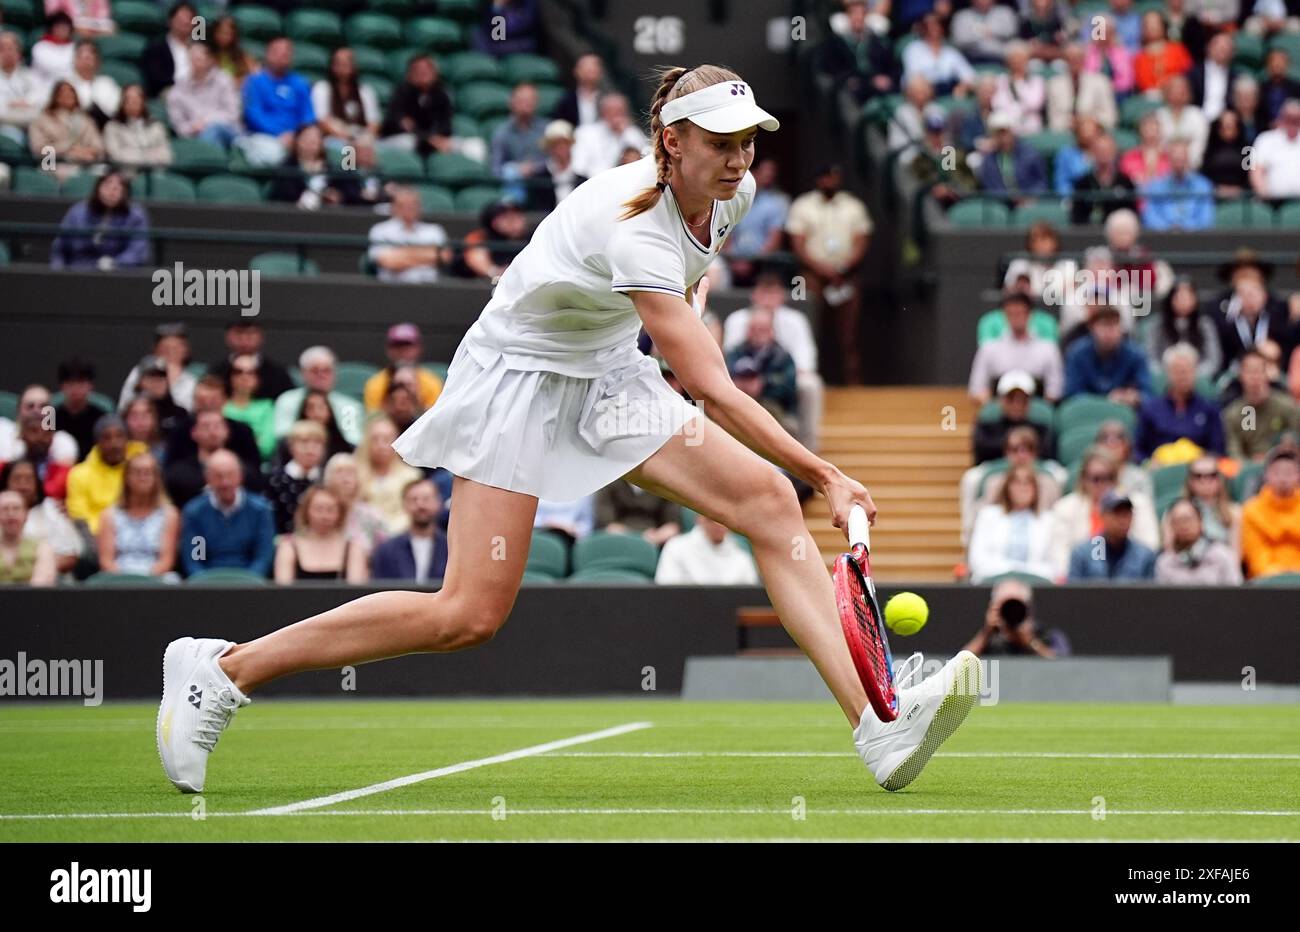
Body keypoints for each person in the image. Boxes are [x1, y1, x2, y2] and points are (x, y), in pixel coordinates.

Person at [156, 63, 981, 798]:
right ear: (671, 142)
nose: (739, 160)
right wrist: (828, 476)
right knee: (468, 614)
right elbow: (711, 389)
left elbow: (685, 287)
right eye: (722, 143)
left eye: (749, 142)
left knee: (766, 501)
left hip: (610, 371)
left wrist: (683, 310)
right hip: (516, 381)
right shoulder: (627, 220)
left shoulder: (735, 195)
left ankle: (878, 723)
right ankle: (221, 670)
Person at [786, 163, 873, 384]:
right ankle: (809, 378)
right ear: (818, 180)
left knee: (849, 333)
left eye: (833, 177)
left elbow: (861, 240)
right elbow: (798, 244)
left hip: (846, 276)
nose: (829, 182)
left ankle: (853, 385)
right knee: (810, 327)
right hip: (813, 276)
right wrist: (823, 269)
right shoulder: (803, 205)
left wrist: (842, 268)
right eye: (825, 177)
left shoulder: (853, 206)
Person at [721, 271, 822, 450]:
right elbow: (729, 358)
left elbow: (805, 357)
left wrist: (768, 380)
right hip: (741, 381)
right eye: (754, 329)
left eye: (764, 329)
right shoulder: (737, 319)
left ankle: (809, 449)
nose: (768, 299)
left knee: (810, 384)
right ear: (754, 295)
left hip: (784, 378)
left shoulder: (795, 322)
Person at [1049, 449, 1159, 574]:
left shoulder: (1137, 503)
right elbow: (1059, 555)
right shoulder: (1066, 508)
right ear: (1084, 479)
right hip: (1084, 579)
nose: (1103, 484)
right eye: (1096, 479)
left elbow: (1149, 547)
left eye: (1108, 478)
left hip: (1129, 576)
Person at [178, 450, 275, 578]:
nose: (225, 482)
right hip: (208, 581)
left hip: (249, 581)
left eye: (230, 475)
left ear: (240, 476)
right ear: (208, 478)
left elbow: (262, 556)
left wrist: (249, 581)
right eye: (218, 476)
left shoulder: (259, 510)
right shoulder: (195, 512)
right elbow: (196, 557)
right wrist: (203, 582)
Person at [1134, 343, 1225, 461]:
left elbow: (1218, 451)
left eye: (1187, 370)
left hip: (1200, 472)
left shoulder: (1209, 410)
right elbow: (1138, 450)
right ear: (1167, 373)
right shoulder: (1150, 409)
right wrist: (1149, 463)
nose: (1183, 376)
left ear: (1195, 372)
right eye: (1177, 371)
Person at [968, 294, 1064, 404]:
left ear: (1030, 314)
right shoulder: (988, 349)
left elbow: (1055, 391)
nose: (1015, 318)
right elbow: (976, 390)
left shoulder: (1048, 349)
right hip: (999, 412)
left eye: (1019, 313)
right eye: (1010, 314)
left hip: (1037, 412)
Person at [967, 463, 1055, 583]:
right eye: (1017, 482)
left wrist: (1024, 573)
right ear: (1007, 487)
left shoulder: (1049, 520)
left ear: (1035, 489)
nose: (1022, 488)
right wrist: (1011, 571)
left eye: (1027, 483)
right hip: (992, 580)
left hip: (1037, 584)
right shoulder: (988, 515)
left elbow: (1055, 565)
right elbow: (976, 559)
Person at [97, 452, 179, 580]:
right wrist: (126, 581)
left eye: (147, 473)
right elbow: (106, 561)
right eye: (137, 472)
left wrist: (144, 582)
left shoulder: (169, 514)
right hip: (118, 579)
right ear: (126, 478)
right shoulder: (109, 515)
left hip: (156, 578)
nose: (142, 477)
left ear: (156, 478)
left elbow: (166, 561)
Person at [238, 36, 315, 167]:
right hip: (263, 136)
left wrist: (296, 136)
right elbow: (253, 115)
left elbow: (308, 116)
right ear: (268, 54)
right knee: (273, 153)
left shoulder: (300, 83)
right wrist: (279, 133)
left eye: (286, 53)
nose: (282, 57)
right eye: (277, 52)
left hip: (296, 139)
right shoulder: (255, 82)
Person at [49, 171, 149, 269]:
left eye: (117, 188)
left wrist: (114, 264)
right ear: (98, 188)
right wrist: (58, 272)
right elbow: (60, 247)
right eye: (107, 186)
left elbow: (137, 251)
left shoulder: (135, 215)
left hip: (118, 274)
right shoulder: (78, 211)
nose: (112, 192)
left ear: (126, 192)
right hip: (79, 270)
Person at [65, 414, 145, 535]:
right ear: (97, 443)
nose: (114, 444)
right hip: (95, 538)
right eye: (107, 438)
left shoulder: (140, 470)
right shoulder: (79, 474)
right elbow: (80, 518)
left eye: (119, 436)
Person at [0, 458, 82, 575]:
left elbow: (70, 556)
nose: (23, 485)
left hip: (48, 581)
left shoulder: (52, 509)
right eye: (17, 479)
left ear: (37, 483)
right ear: (5, 483)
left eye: (28, 479)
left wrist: (41, 568)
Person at [273, 485, 368, 584]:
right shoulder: (288, 547)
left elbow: (356, 589)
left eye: (330, 510)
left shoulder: (354, 548)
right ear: (306, 511)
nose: (324, 516)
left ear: (340, 513)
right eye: (318, 509)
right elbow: (283, 590)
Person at [272, 347, 364, 446]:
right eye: (315, 370)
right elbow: (283, 437)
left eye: (326, 370)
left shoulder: (348, 407)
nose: (321, 375)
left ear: (335, 373)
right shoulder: (287, 400)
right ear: (303, 373)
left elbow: (353, 441)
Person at [1063, 305, 1151, 405]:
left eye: (1114, 325)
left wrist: (1135, 397)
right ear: (1091, 328)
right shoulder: (1077, 353)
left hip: (1124, 412)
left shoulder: (1136, 354)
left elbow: (1148, 393)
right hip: (1088, 413)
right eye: (1104, 325)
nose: (1109, 332)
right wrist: (1106, 399)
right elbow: (1072, 394)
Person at [1224, 350, 1300, 461]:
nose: (1254, 377)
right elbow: (1234, 454)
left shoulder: (1287, 407)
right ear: (1241, 375)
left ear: (1267, 373)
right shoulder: (1233, 414)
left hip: (1282, 465)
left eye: (1258, 371)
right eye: (1249, 371)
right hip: (1248, 471)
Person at [1067, 490, 1158, 581]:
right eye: (1117, 513)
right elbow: (1072, 593)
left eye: (1126, 514)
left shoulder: (1144, 556)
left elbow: (1150, 594)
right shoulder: (1082, 553)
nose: (1122, 520)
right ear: (1103, 515)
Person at [166, 42, 242, 151]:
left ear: (209, 60)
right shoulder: (177, 91)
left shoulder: (224, 80)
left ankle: (209, 159)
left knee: (213, 130)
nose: (195, 63)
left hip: (228, 131)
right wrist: (193, 127)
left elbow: (233, 114)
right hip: (195, 134)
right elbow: (179, 127)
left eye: (199, 59)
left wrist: (206, 122)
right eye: (191, 59)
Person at [369, 478, 447, 582]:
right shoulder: (386, 551)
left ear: (438, 503)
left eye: (426, 499)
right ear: (404, 505)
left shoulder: (451, 549)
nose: (420, 505)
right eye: (413, 499)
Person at [355, 415, 422, 535]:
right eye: (375, 439)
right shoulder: (355, 475)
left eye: (386, 439)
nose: (380, 445)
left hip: (400, 537)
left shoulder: (411, 477)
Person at [367, 188, 450, 284]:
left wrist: (401, 254)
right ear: (394, 207)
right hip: (391, 289)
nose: (409, 208)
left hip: (429, 290)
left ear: (420, 207)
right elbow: (387, 261)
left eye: (413, 204)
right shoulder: (380, 230)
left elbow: (444, 256)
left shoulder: (434, 230)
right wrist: (426, 255)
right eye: (403, 205)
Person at [962, 580, 1064, 658]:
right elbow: (958, 669)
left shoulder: (1047, 636)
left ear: (1028, 608)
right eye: (1006, 606)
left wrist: (1031, 642)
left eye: (1016, 607)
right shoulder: (987, 638)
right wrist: (986, 634)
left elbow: (1064, 668)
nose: (1012, 612)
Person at [1146, 278, 1223, 382]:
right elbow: (1150, 358)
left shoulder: (1205, 325)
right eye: (1179, 297)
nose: (1183, 301)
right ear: (1170, 299)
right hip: (1165, 377)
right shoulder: (1157, 325)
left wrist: (1193, 374)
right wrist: (1167, 374)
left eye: (1188, 297)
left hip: (1198, 378)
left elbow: (1214, 359)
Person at [1240, 447, 1300, 578]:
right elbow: (1256, 557)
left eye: (1289, 472)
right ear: (1266, 475)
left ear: (1298, 475)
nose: (1283, 479)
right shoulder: (1252, 510)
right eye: (1277, 472)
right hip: (1267, 585)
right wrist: (1282, 578)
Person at [378, 53, 454, 156]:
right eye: (417, 70)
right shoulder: (401, 92)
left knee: (474, 146)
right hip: (404, 139)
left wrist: (437, 138)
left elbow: (445, 125)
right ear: (409, 74)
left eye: (427, 69)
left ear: (435, 73)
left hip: (435, 140)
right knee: (408, 142)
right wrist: (428, 138)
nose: (423, 73)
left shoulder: (442, 94)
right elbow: (401, 124)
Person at [972, 371, 1054, 464]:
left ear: (1030, 402)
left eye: (1022, 399)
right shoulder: (986, 429)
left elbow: (1047, 453)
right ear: (1001, 401)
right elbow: (981, 455)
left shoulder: (1042, 430)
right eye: (1011, 398)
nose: (1017, 404)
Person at [654, 513, 759, 584]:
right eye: (713, 519)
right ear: (700, 518)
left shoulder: (742, 558)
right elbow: (665, 591)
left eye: (724, 520)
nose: (718, 525)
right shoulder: (675, 548)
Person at [1155, 498, 1242, 584]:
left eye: (1188, 519)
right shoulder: (1164, 563)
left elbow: (1235, 593)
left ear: (1200, 521)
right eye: (1178, 521)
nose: (1184, 525)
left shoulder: (1222, 555)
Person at [362, 323, 444, 412]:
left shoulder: (432, 383)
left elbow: (436, 420)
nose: (402, 350)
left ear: (418, 348)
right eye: (397, 345)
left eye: (407, 345)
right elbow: (373, 420)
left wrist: (415, 399)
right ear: (388, 350)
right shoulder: (375, 384)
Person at [28, 79, 103, 175]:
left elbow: (98, 147)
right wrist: (69, 150)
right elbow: (38, 149)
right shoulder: (41, 120)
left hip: (84, 163)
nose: (68, 96)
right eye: (63, 93)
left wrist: (84, 152)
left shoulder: (87, 120)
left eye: (71, 92)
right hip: (52, 163)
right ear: (55, 96)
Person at [207, 320, 296, 402]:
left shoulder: (278, 373)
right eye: (239, 333)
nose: (244, 339)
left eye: (250, 334)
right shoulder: (216, 372)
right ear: (228, 336)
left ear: (261, 336)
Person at [266, 420, 327, 535]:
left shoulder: (327, 481)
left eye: (317, 443)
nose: (310, 448)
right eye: (304, 442)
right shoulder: (274, 480)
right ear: (291, 446)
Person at [312, 47, 379, 151]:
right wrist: (345, 136)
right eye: (339, 62)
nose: (343, 66)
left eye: (347, 62)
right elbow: (322, 121)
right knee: (346, 149)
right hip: (334, 137)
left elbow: (373, 123)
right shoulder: (322, 88)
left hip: (361, 137)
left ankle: (364, 166)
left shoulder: (365, 91)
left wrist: (364, 138)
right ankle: (348, 166)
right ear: (332, 65)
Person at [1139, 139, 1213, 231]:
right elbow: (1149, 216)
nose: (1179, 164)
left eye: (1182, 160)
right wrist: (1168, 228)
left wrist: (1185, 228)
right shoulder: (1156, 186)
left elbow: (1205, 219)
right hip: (1162, 238)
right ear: (1169, 160)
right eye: (1176, 160)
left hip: (1194, 238)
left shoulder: (1203, 185)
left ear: (1188, 159)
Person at [571, 92, 647, 179]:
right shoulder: (585, 133)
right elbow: (579, 167)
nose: (617, 116)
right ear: (603, 112)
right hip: (594, 183)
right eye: (612, 111)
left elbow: (642, 160)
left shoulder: (632, 133)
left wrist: (623, 135)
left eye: (620, 111)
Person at [322, 452, 388, 552]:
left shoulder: (372, 515)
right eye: (339, 472)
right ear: (328, 479)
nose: (345, 478)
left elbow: (385, 551)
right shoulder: (320, 513)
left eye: (350, 472)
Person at [1176, 455, 1242, 555]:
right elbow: (1170, 556)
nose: (1205, 480)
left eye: (1212, 475)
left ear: (1220, 479)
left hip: (1222, 567)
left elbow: (1235, 557)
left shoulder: (1234, 512)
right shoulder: (1176, 513)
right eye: (1198, 476)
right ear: (1190, 481)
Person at [222, 353, 277, 462]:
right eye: (238, 372)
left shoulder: (267, 406)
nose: (244, 377)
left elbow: (266, 448)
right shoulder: (220, 405)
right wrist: (254, 439)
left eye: (251, 373)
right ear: (230, 376)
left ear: (258, 378)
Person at [103, 83, 171, 170]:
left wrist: (131, 153)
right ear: (122, 103)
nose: (132, 103)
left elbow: (166, 156)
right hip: (126, 174)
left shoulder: (156, 126)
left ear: (143, 102)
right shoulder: (112, 127)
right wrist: (146, 155)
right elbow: (115, 156)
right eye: (128, 99)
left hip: (154, 173)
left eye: (136, 99)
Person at [53, 357, 108, 459]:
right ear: (61, 386)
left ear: (91, 385)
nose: (75, 388)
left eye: (81, 382)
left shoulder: (102, 417)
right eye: (70, 383)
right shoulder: (50, 416)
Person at [0, 31, 47, 147]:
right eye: (2, 49)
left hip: (33, 127)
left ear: (19, 53)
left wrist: (25, 103)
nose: (7, 53)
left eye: (11, 48)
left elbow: (42, 103)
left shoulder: (31, 76)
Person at [0, 490, 56, 586]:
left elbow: (39, 590)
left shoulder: (42, 547)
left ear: (26, 513)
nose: (11, 514)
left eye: (16, 508)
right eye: (5, 509)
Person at [141, 2, 196, 97]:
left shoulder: (201, 47)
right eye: (181, 19)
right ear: (170, 21)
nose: (186, 22)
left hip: (200, 91)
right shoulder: (156, 47)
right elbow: (155, 78)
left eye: (189, 19)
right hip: (170, 91)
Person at [1249, 98, 1300, 200]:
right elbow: (1255, 170)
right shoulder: (1264, 139)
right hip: (1273, 203)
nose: (1292, 123)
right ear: (1281, 118)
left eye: (1296, 119)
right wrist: (1264, 196)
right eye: (1288, 118)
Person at [67, 39, 118, 127]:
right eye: (82, 56)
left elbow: (117, 110)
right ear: (74, 60)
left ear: (98, 61)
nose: (86, 60)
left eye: (90, 57)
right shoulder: (66, 84)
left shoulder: (107, 83)